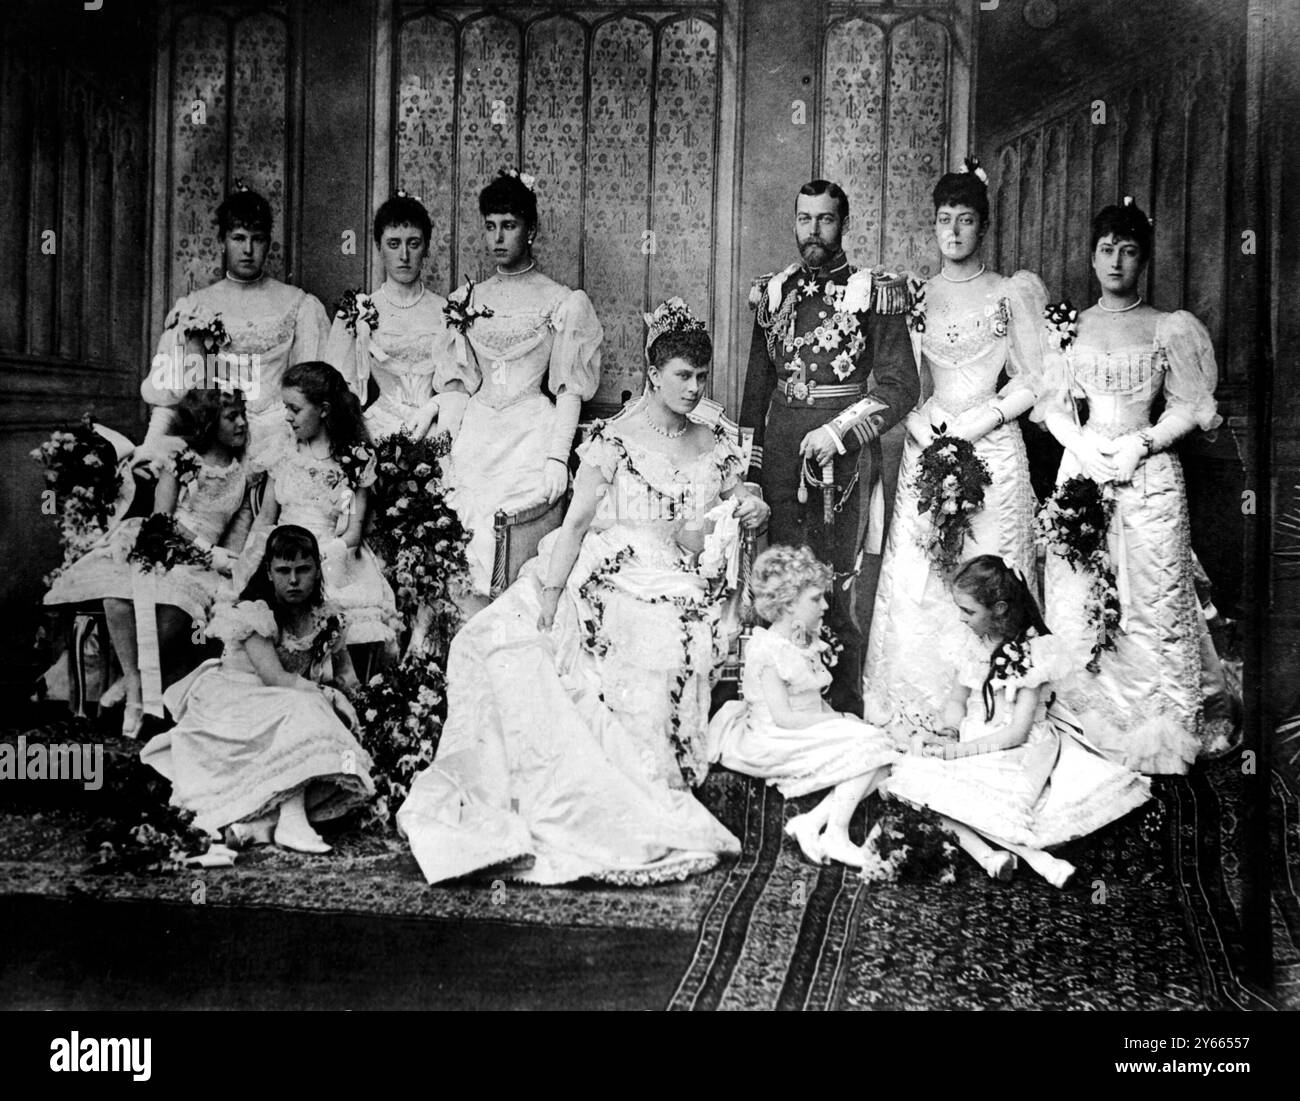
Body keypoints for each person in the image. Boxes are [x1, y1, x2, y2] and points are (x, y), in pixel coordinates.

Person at [397, 301, 769, 885]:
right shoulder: (614, 441)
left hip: (682, 576)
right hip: (608, 567)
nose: (695, 389)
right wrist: (548, 597)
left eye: (701, 377)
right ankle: (581, 790)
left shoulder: (716, 437)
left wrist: (750, 500)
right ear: (653, 375)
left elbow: (737, 489)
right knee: (508, 641)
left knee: (663, 643)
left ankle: (648, 778)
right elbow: (572, 527)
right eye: (682, 377)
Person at [1035, 198, 1222, 774]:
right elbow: (1052, 405)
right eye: (1107, 250)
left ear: (1144, 259)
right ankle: (1084, 712)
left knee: (1151, 593)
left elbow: (1192, 406)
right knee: (1080, 587)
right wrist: (1082, 443)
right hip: (1085, 467)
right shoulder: (1068, 326)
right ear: (1092, 257)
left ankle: (1154, 718)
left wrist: (1143, 443)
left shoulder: (1170, 326)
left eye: (1129, 251)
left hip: (1149, 473)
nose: (1117, 262)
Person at [865, 159, 1049, 717]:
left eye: (965, 220)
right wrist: (921, 426)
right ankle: (916, 700)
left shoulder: (1009, 292)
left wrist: (982, 421)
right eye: (944, 219)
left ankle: (997, 706)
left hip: (990, 445)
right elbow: (902, 381)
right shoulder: (917, 295)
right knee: (923, 571)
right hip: (931, 442)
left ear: (983, 227)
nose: (953, 231)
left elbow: (1035, 379)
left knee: (988, 564)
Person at [739, 179, 919, 717]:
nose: (813, 231)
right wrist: (750, 470)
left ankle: (840, 706)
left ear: (844, 224)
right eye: (804, 219)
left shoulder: (873, 292)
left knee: (830, 585)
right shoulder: (774, 292)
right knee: (777, 575)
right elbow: (755, 391)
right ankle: (780, 704)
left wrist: (839, 433)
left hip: (838, 458)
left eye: (825, 220)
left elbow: (899, 387)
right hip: (779, 452)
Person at [882, 555, 1151, 887]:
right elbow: (956, 700)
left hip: (1018, 745)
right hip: (974, 735)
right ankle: (994, 857)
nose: (961, 619)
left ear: (998, 609)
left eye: (968, 611)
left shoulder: (1034, 651)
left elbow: (1017, 732)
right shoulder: (969, 643)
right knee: (911, 782)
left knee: (965, 797)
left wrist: (960, 752)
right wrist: (949, 732)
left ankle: (1032, 856)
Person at [141, 525, 375, 854]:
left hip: (284, 702)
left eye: (303, 570)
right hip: (234, 702)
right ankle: (292, 822)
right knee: (305, 708)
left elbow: (346, 677)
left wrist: (368, 708)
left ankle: (259, 828)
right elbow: (275, 677)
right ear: (269, 571)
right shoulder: (254, 612)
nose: (293, 580)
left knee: (342, 751)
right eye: (283, 571)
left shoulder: (326, 617)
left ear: (317, 571)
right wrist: (328, 696)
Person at [44, 388, 251, 737]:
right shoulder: (183, 459)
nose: (243, 423)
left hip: (202, 563)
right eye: (232, 417)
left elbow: (237, 532)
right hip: (162, 541)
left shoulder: (242, 473)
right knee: (117, 594)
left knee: (176, 603)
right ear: (209, 423)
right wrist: (201, 547)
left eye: (243, 414)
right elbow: (162, 517)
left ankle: (128, 685)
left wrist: (226, 562)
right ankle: (137, 692)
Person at [434, 169, 603, 594]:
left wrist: (556, 457)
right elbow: (457, 385)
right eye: (490, 226)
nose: (498, 237)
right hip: (478, 429)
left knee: (506, 530)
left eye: (509, 226)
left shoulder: (561, 301)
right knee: (458, 522)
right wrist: (442, 447)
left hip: (530, 430)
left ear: (531, 230)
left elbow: (569, 389)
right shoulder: (466, 300)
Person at [707, 545, 899, 869]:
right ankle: (834, 833)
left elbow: (812, 699)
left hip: (801, 725)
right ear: (787, 604)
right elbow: (784, 717)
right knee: (872, 746)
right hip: (773, 736)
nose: (825, 606)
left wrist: (842, 720)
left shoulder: (803, 642)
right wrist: (839, 720)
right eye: (815, 599)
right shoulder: (766, 649)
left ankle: (814, 823)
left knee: (882, 753)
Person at [139, 183, 330, 473]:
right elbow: (173, 389)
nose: (248, 250)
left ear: (269, 243)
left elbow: (310, 384)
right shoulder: (196, 307)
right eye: (238, 238)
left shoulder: (298, 304)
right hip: (221, 431)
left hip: (281, 431)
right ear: (222, 241)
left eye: (258, 239)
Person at [236, 362, 400, 661]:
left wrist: (320, 556)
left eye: (295, 409)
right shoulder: (284, 450)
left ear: (323, 409)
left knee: (335, 616)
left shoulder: (352, 461)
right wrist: (250, 562)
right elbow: (265, 519)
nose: (287, 416)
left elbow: (351, 532)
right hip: (280, 552)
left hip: (330, 557)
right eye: (285, 407)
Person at [325, 191, 460, 442]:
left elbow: (456, 387)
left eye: (414, 243)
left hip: (432, 424)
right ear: (379, 247)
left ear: (426, 247)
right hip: (378, 427)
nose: (404, 256)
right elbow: (340, 387)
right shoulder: (358, 311)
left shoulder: (446, 311)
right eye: (394, 244)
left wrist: (435, 411)